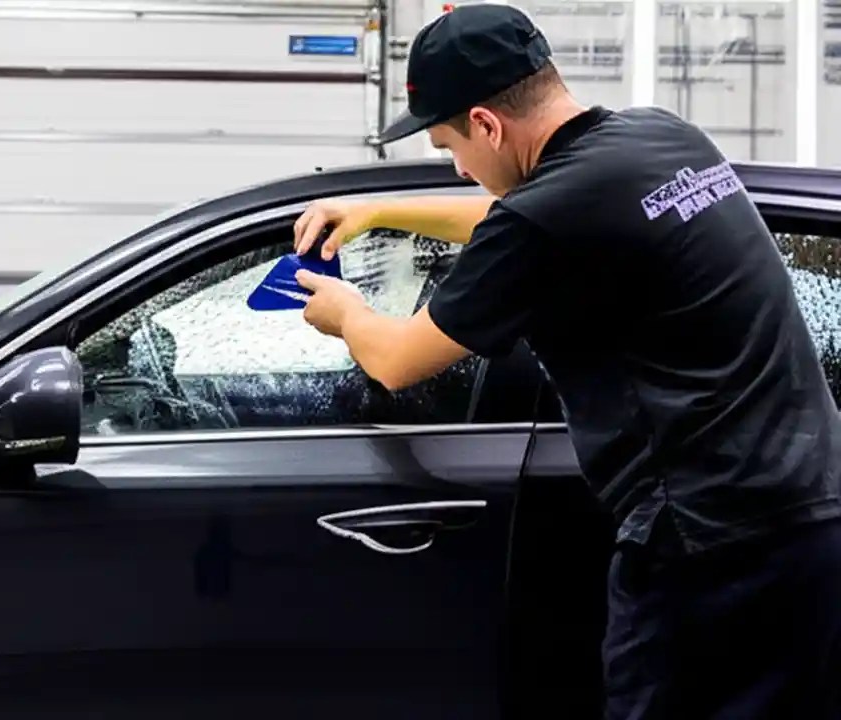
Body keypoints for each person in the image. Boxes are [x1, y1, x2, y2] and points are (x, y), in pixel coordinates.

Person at [290, 4, 841, 719]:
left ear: (487, 124)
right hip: (814, 520)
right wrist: (381, 210)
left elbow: (395, 360)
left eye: (450, 146)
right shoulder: (661, 138)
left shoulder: (547, 216)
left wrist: (344, 311)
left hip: (709, 547)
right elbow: (527, 214)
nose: (459, 169)